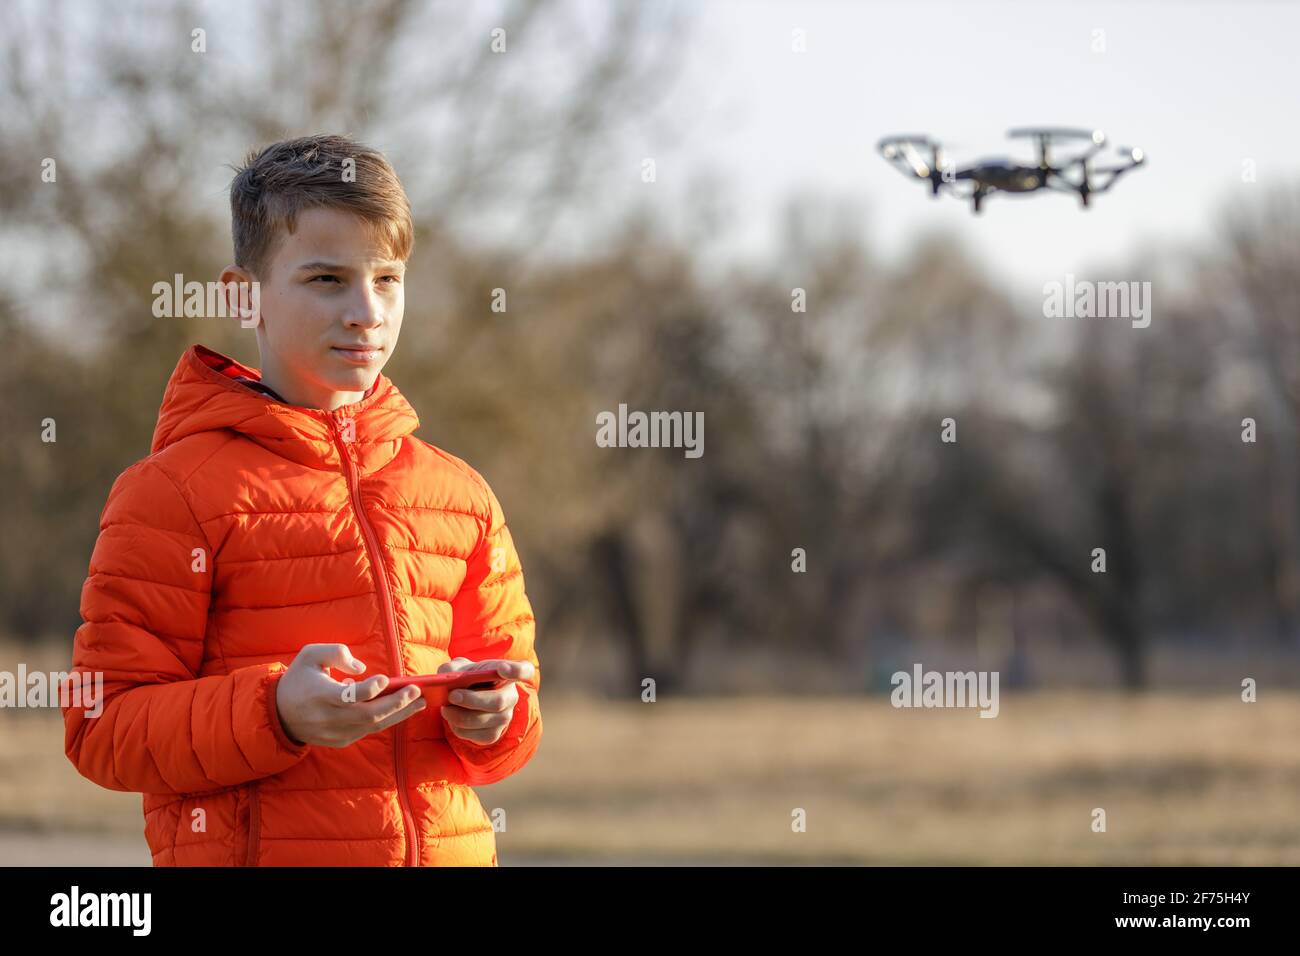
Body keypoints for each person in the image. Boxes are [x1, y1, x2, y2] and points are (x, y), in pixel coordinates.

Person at [62, 133, 541, 866]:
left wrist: (495, 717)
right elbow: (102, 727)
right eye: (327, 279)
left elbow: (511, 729)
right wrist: (274, 711)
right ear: (241, 296)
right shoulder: (170, 493)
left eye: (388, 278)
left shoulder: (460, 494)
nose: (366, 312)